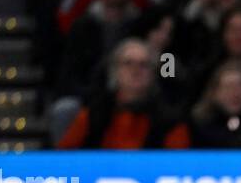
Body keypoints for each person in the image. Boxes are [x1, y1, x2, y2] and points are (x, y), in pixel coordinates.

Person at [55, 37, 191, 148]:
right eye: (128, 63)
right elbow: (63, 160)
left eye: (143, 65)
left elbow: (179, 167)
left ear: (153, 74)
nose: (136, 70)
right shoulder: (92, 115)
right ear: (115, 71)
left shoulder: (170, 121)